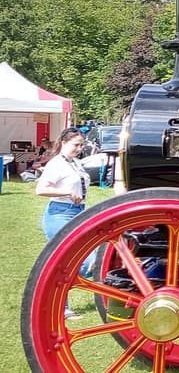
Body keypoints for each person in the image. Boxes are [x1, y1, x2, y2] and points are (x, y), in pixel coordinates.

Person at [35, 128, 93, 320]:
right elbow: (41, 189)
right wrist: (67, 192)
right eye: (76, 145)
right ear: (64, 143)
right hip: (59, 215)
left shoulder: (75, 163)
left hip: (77, 214)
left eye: (81, 145)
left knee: (85, 259)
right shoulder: (56, 164)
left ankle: (56, 298)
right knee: (68, 262)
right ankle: (60, 306)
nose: (79, 148)